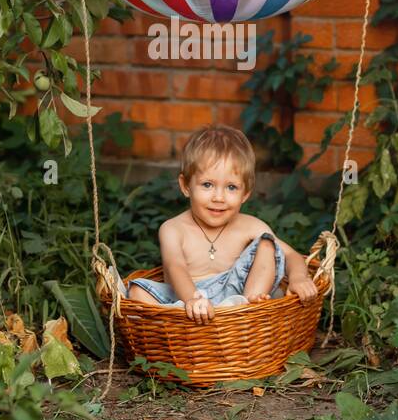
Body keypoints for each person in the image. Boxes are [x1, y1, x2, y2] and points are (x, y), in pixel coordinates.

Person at [125, 124, 319, 324]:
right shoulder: (173, 229)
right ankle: (181, 326)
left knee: (267, 243)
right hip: (185, 300)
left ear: (245, 194)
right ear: (185, 186)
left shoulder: (250, 226)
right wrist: (194, 298)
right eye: (207, 185)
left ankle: (252, 307)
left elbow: (291, 255)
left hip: (239, 298)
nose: (219, 197)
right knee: (137, 290)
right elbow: (176, 267)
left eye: (231, 187)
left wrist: (298, 278)